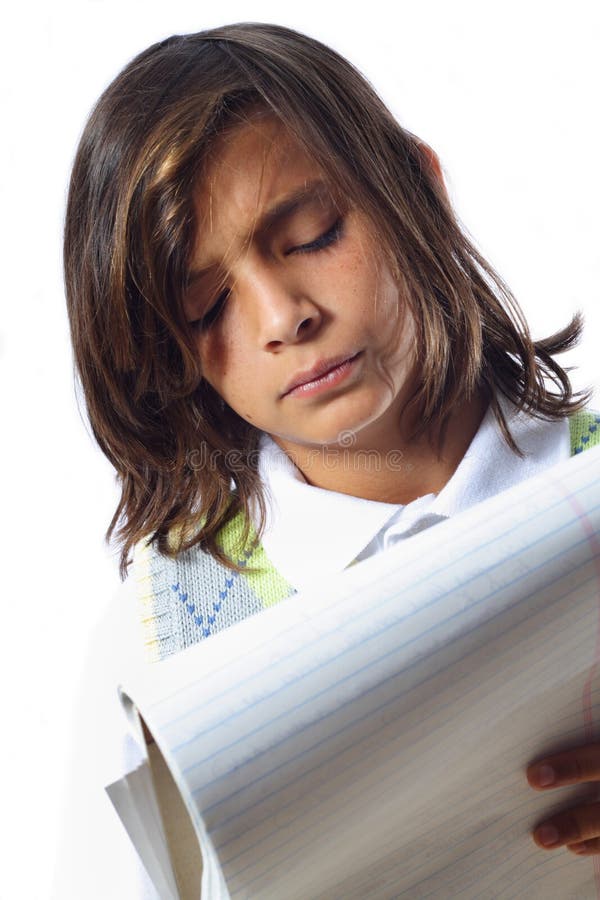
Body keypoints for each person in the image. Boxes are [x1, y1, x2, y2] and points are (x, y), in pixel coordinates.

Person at [63, 22, 600, 871]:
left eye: (314, 235)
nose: (284, 317)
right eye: (208, 309)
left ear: (419, 188)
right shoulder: (156, 650)